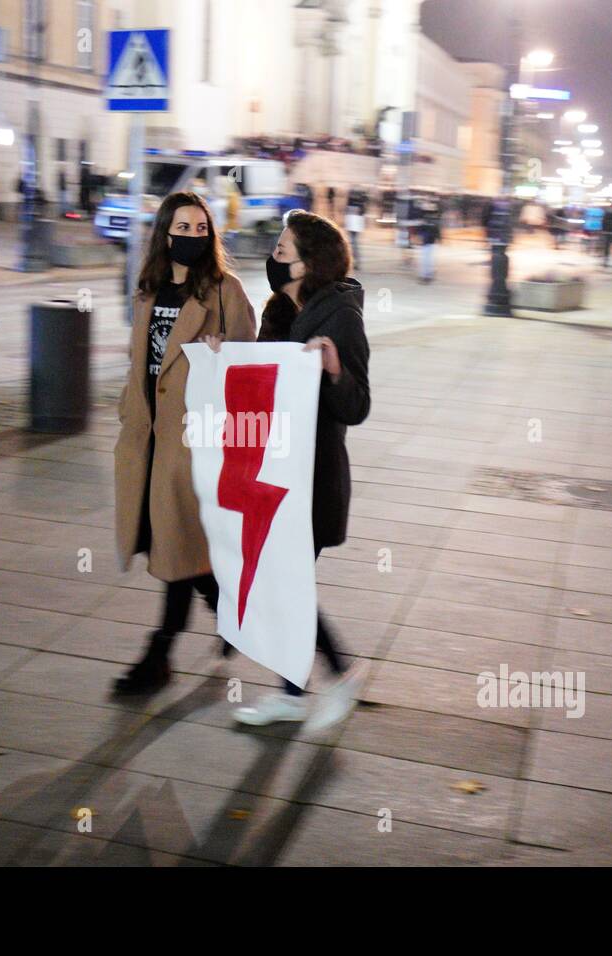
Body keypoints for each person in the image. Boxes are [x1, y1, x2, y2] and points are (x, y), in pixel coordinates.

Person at [112, 192, 257, 695]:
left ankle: (158, 655)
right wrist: (129, 410)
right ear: (165, 233)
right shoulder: (148, 289)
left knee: (175, 546)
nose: (193, 236)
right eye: (183, 227)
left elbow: (250, 365)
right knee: (174, 545)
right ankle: (229, 613)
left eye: (201, 228)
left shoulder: (225, 291)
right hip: (148, 438)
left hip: (193, 443)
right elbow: (140, 362)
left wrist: (224, 356)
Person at [228, 209, 368, 729]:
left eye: (282, 250)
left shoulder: (341, 318)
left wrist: (334, 371)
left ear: (308, 264)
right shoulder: (280, 310)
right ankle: (294, 692)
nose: (273, 257)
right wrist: (225, 359)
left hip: (313, 475)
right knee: (280, 582)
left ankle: (340, 674)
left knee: (286, 582)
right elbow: (261, 379)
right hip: (275, 467)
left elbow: (357, 405)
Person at [345, 201, 365, 269]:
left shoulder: (357, 202)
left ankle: (355, 262)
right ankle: (355, 262)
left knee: (353, 243)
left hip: (354, 218)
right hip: (354, 218)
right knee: (353, 242)